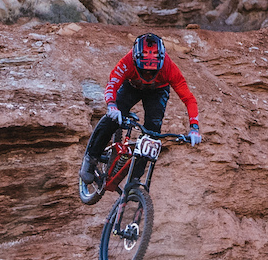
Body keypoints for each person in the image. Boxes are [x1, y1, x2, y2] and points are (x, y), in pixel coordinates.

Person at [81, 32, 201, 188]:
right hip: (132, 87)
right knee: (113, 118)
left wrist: (194, 127)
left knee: (152, 132)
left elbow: (188, 99)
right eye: (144, 70)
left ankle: (135, 181)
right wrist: (111, 105)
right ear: (136, 60)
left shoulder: (169, 67)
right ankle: (91, 158)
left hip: (158, 91)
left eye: (152, 71)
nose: (148, 74)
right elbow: (112, 84)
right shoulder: (127, 61)